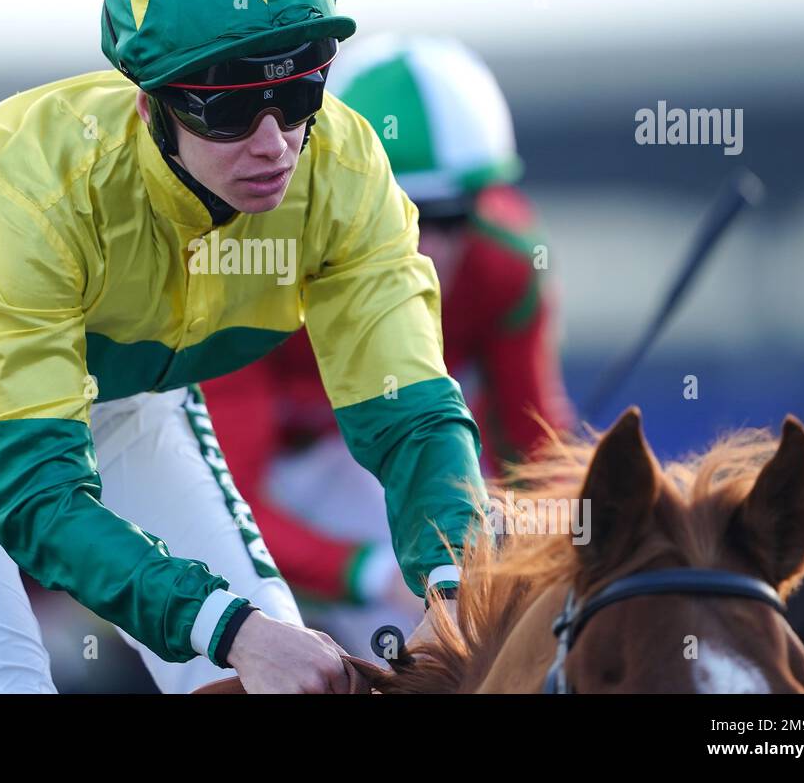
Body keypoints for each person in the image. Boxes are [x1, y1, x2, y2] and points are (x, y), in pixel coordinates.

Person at [0, 0, 486, 693]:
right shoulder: (20, 195)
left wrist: (457, 586)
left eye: (300, 91)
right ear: (150, 103)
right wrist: (231, 630)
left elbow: (410, 413)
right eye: (233, 106)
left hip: (124, 397)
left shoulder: (345, 170)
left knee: (284, 680)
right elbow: (38, 497)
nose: (274, 143)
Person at [202, 35, 575, 654]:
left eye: (450, 218)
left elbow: (533, 448)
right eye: (396, 210)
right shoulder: (249, 271)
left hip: (418, 484)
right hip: (291, 506)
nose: (423, 247)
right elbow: (227, 500)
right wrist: (372, 574)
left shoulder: (508, 263)